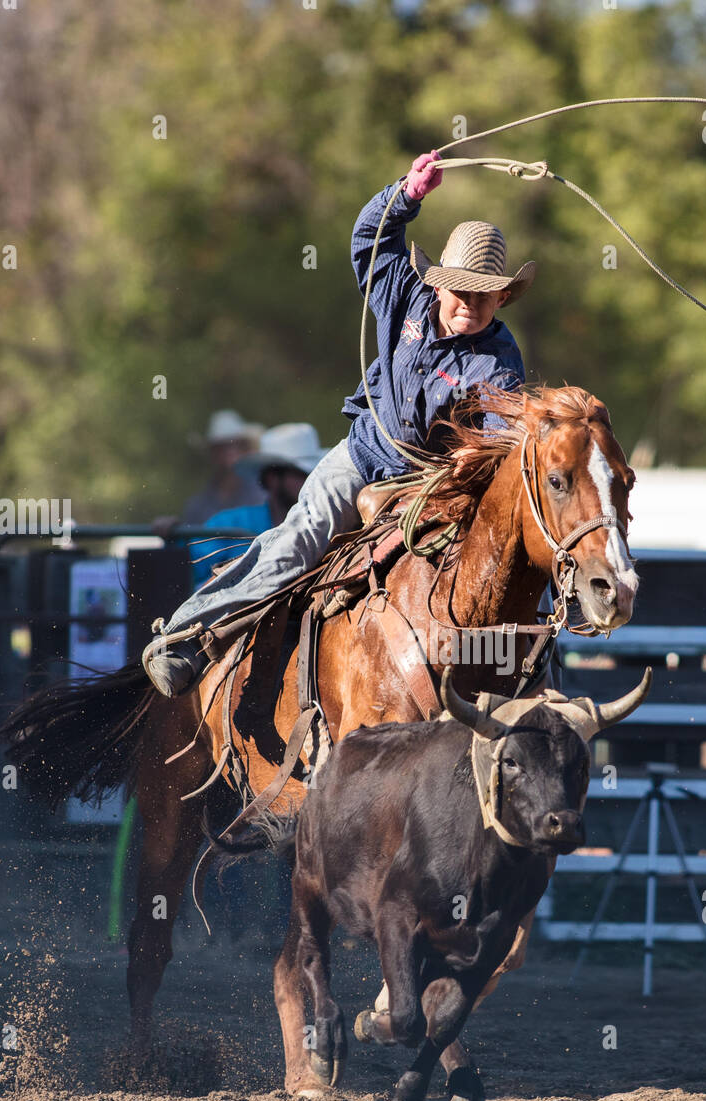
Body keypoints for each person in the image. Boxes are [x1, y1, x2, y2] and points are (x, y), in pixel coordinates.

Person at [143, 151, 536, 697]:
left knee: (502, 567)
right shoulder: (404, 292)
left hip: (434, 483)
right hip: (366, 454)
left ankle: (531, 696)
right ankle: (184, 636)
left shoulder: (497, 360)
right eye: (461, 288)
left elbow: (498, 432)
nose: (470, 302)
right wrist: (406, 193)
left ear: (501, 295)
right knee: (300, 538)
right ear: (439, 284)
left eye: (483, 292)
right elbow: (368, 237)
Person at [187, 423, 326, 589]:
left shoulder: (328, 523)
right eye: (301, 474)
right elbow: (186, 572)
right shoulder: (228, 525)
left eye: (314, 474)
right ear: (272, 479)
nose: (310, 481)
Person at [151, 409, 265, 537]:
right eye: (222, 446)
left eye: (235, 445)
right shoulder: (198, 504)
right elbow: (189, 545)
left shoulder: (262, 494)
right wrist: (173, 528)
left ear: (245, 449)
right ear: (212, 453)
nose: (230, 451)